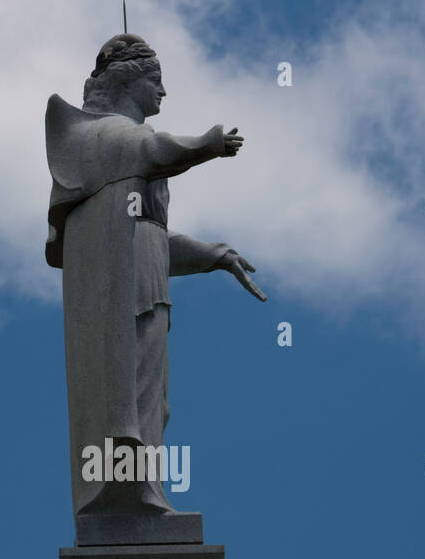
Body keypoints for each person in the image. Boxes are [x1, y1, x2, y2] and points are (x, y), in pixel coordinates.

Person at [45, 32, 265, 525]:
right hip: (128, 283)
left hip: (144, 274)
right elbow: (154, 149)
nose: (164, 93)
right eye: (157, 81)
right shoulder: (98, 136)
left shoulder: (124, 151)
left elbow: (152, 234)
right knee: (138, 386)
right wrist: (207, 144)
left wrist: (214, 254)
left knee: (152, 399)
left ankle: (145, 492)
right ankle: (132, 494)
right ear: (129, 81)